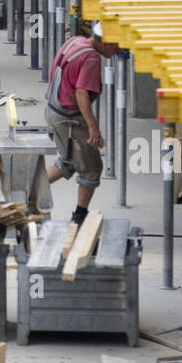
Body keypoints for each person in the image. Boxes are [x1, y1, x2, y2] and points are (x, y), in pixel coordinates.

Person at [45, 21, 120, 226]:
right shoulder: (92, 57)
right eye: (115, 46)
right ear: (104, 43)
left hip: (54, 111)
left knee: (68, 162)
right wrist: (92, 126)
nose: (117, 50)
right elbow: (81, 92)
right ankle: (79, 217)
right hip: (69, 119)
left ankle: (28, 191)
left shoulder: (75, 41)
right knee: (91, 168)